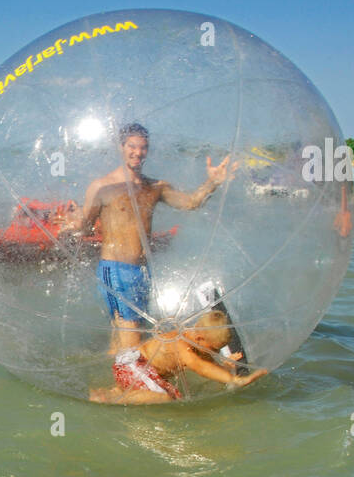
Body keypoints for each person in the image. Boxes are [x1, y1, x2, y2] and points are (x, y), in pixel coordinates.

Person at [63, 123, 236, 353]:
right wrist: (73, 223)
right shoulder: (103, 187)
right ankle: (133, 387)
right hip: (116, 271)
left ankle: (114, 387)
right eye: (132, 146)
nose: (137, 152)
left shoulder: (154, 187)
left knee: (125, 339)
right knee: (134, 346)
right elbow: (85, 227)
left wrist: (212, 183)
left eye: (143, 147)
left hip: (142, 272)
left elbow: (191, 202)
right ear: (121, 147)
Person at [89, 310, 268, 404]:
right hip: (133, 364)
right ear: (200, 338)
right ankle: (115, 400)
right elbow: (201, 367)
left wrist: (226, 368)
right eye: (214, 349)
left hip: (136, 367)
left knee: (175, 395)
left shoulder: (197, 343)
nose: (214, 353)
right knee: (166, 397)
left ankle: (109, 393)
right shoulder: (183, 346)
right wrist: (234, 379)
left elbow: (208, 364)